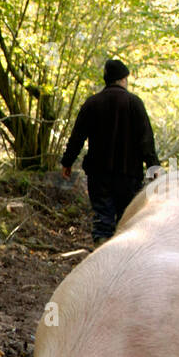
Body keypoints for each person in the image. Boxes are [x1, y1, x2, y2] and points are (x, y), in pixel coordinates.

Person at [60, 59, 161, 244]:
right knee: (127, 221)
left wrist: (67, 162)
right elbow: (146, 139)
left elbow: (77, 137)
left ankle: (101, 252)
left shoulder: (92, 103)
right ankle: (124, 260)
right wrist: (153, 167)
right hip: (129, 174)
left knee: (103, 221)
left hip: (99, 175)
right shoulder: (134, 103)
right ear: (123, 79)